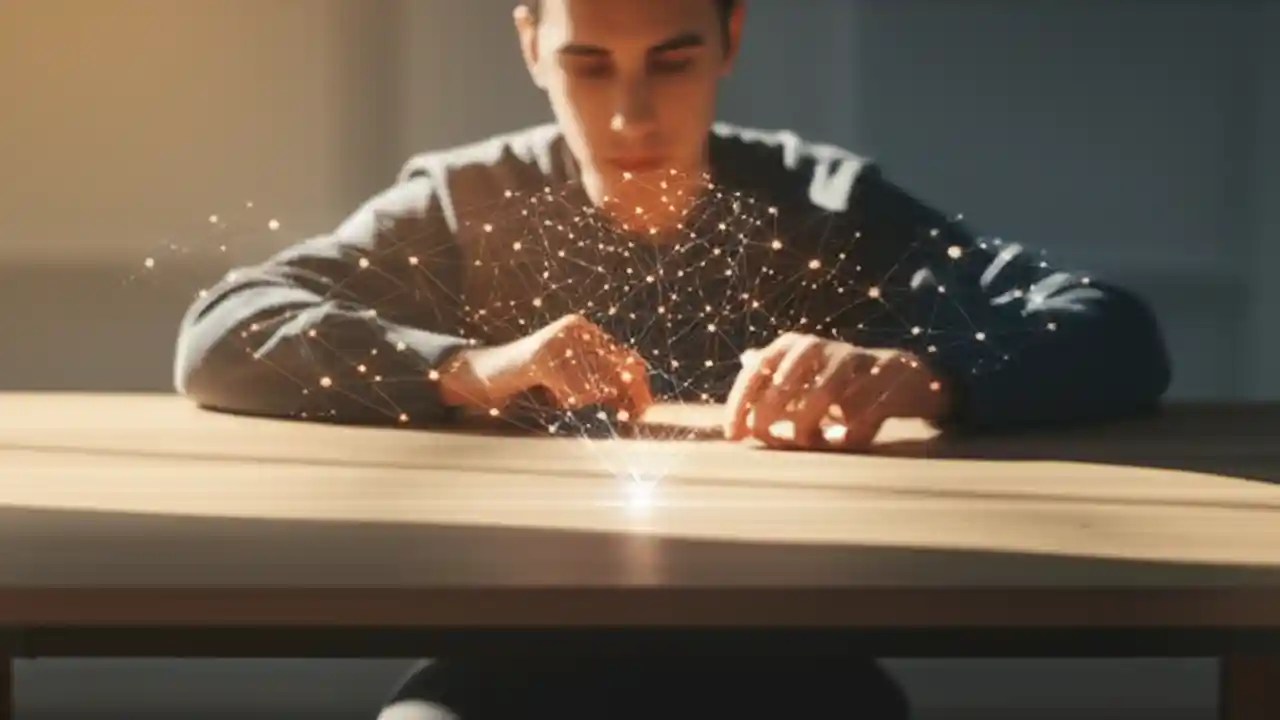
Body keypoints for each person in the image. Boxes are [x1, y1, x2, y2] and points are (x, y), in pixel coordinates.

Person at [172, 0, 1173, 717]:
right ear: (529, 41)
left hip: (785, 663)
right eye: (588, 64)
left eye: (672, 59)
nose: (631, 117)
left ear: (732, 35)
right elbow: (225, 328)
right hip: (508, 660)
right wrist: (471, 366)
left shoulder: (827, 207)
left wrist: (928, 373)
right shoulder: (462, 201)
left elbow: (1110, 327)